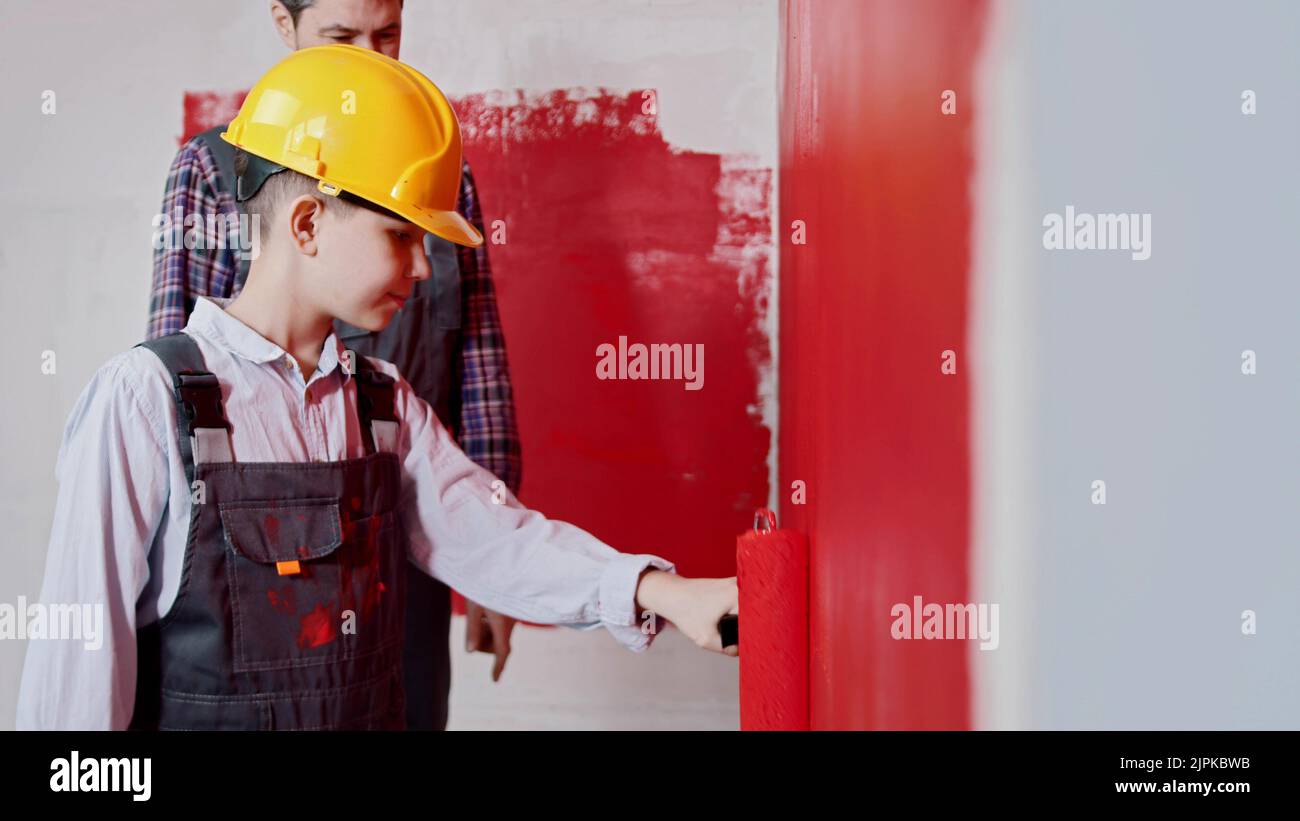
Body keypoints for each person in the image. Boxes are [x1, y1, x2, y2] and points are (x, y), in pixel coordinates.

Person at [16, 44, 738, 731]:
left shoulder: (381, 406)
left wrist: (664, 593)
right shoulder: (143, 401)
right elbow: (76, 680)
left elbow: (498, 540)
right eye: (402, 236)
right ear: (307, 223)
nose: (423, 268)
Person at [146, 0, 522, 730]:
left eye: (388, 36)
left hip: (407, 541)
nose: (371, 61)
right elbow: (174, 396)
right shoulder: (214, 170)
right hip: (257, 569)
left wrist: (493, 573)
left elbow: (480, 363)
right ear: (284, 27)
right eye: (341, 37)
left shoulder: (434, 174)